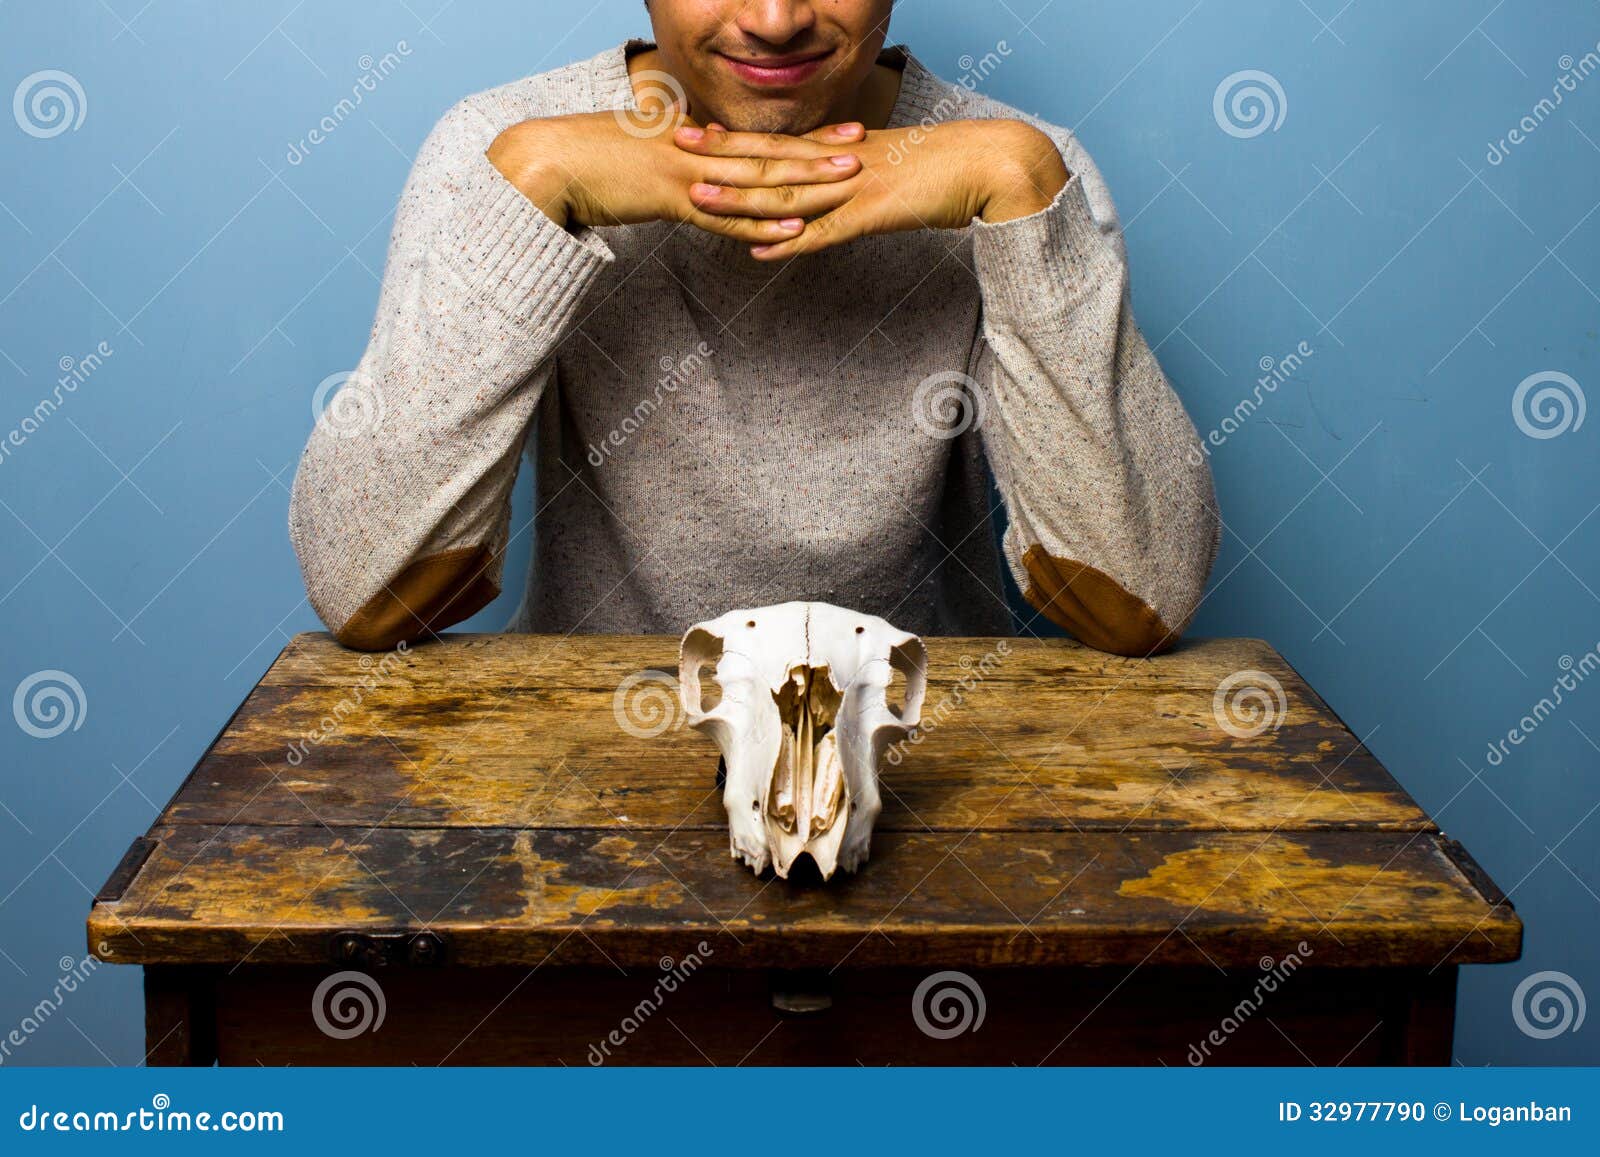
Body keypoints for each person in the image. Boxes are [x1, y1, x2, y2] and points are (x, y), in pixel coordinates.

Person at [288, 0, 1220, 655]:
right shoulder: (503, 146)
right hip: (588, 763)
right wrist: (531, 186)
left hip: (923, 767)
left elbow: (1141, 602)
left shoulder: (1021, 166)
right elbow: (366, 594)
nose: (776, 19)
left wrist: (1021, 192)